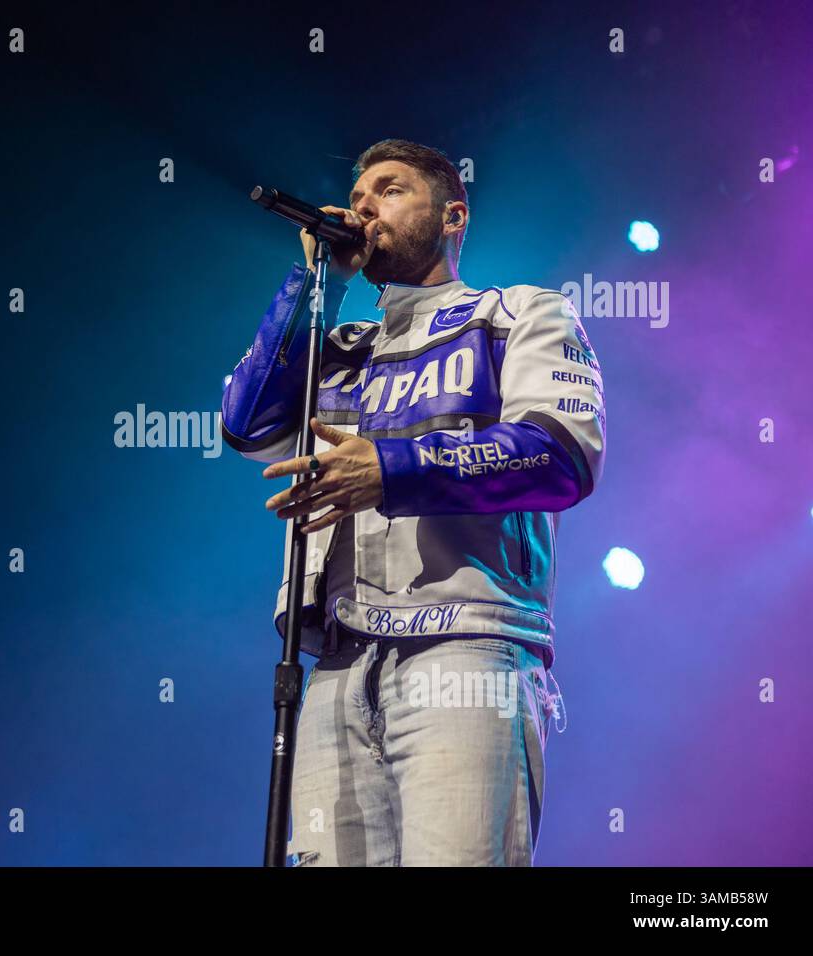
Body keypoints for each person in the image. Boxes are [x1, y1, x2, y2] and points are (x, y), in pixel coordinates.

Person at [220, 139, 606, 865]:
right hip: (336, 661)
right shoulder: (340, 346)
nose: (365, 205)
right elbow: (245, 424)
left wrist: (393, 469)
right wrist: (314, 286)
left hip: (466, 646)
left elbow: (561, 454)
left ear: (453, 214)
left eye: (390, 190)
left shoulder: (518, 313)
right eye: (359, 195)